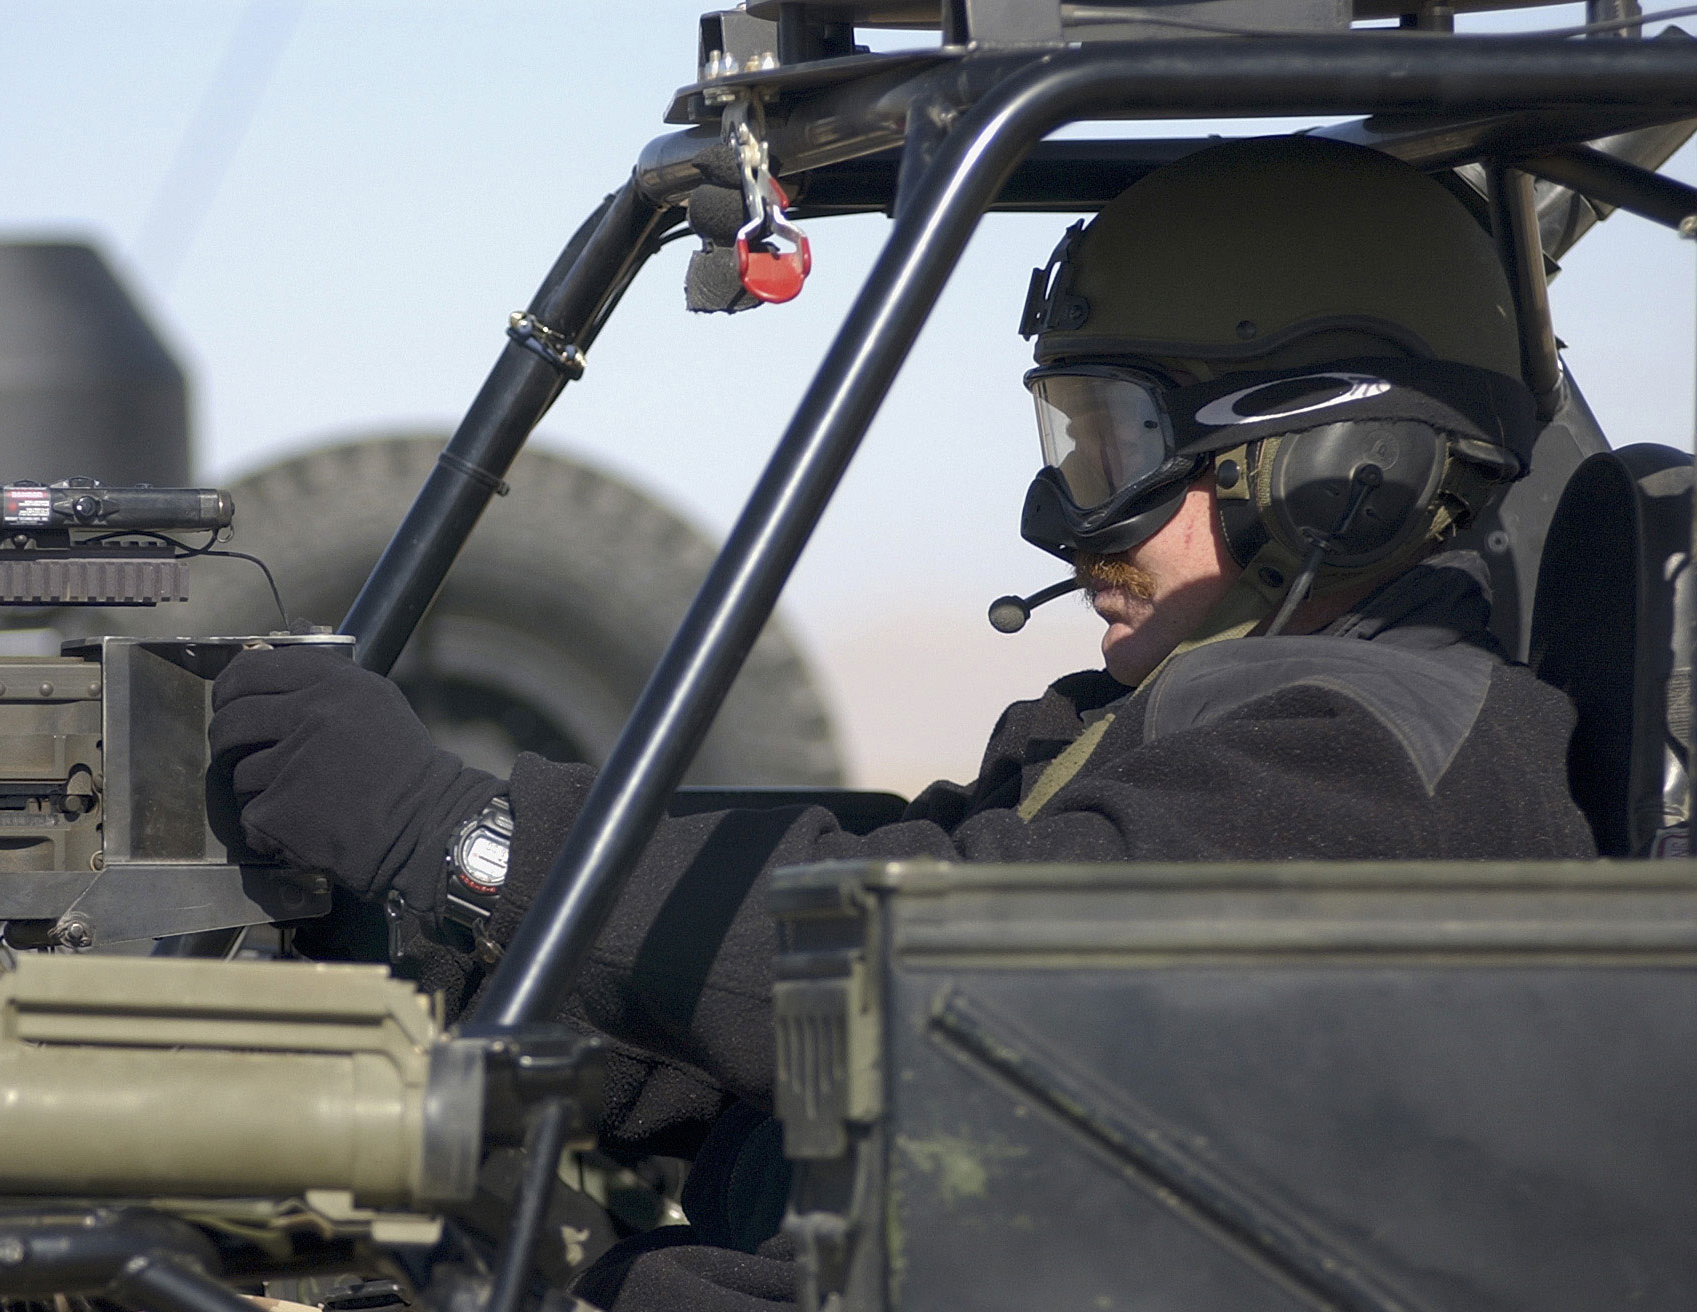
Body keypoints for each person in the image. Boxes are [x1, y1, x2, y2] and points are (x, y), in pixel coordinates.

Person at [207, 136, 1597, 1308]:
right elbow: (865, 876)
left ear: (1335, 472)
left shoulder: (1374, 765)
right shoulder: (1203, 719)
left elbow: (937, 959)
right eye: (1068, 444)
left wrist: (465, 841)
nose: (1066, 522)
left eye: (1112, 451)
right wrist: (459, 926)